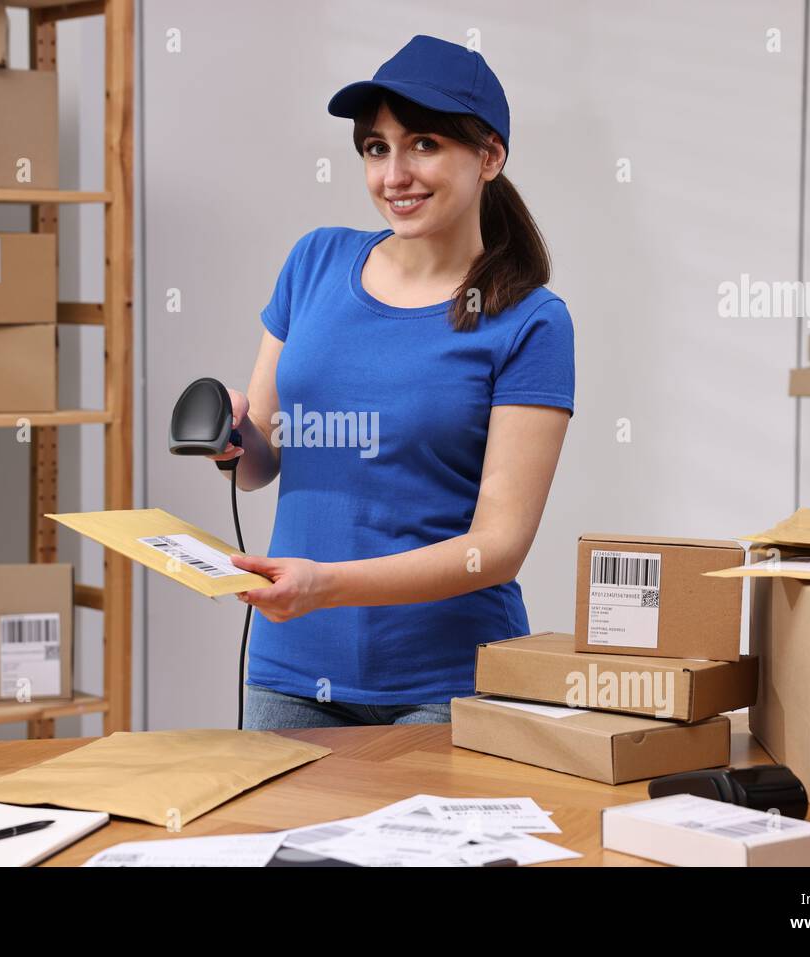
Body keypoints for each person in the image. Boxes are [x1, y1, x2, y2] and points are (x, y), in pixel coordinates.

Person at [210, 35, 575, 729]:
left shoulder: (530, 321)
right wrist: (232, 436)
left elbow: (497, 547)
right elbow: (261, 462)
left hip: (445, 681)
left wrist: (328, 585)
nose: (394, 175)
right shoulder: (314, 263)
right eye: (376, 149)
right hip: (291, 668)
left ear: (490, 157)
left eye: (424, 145)